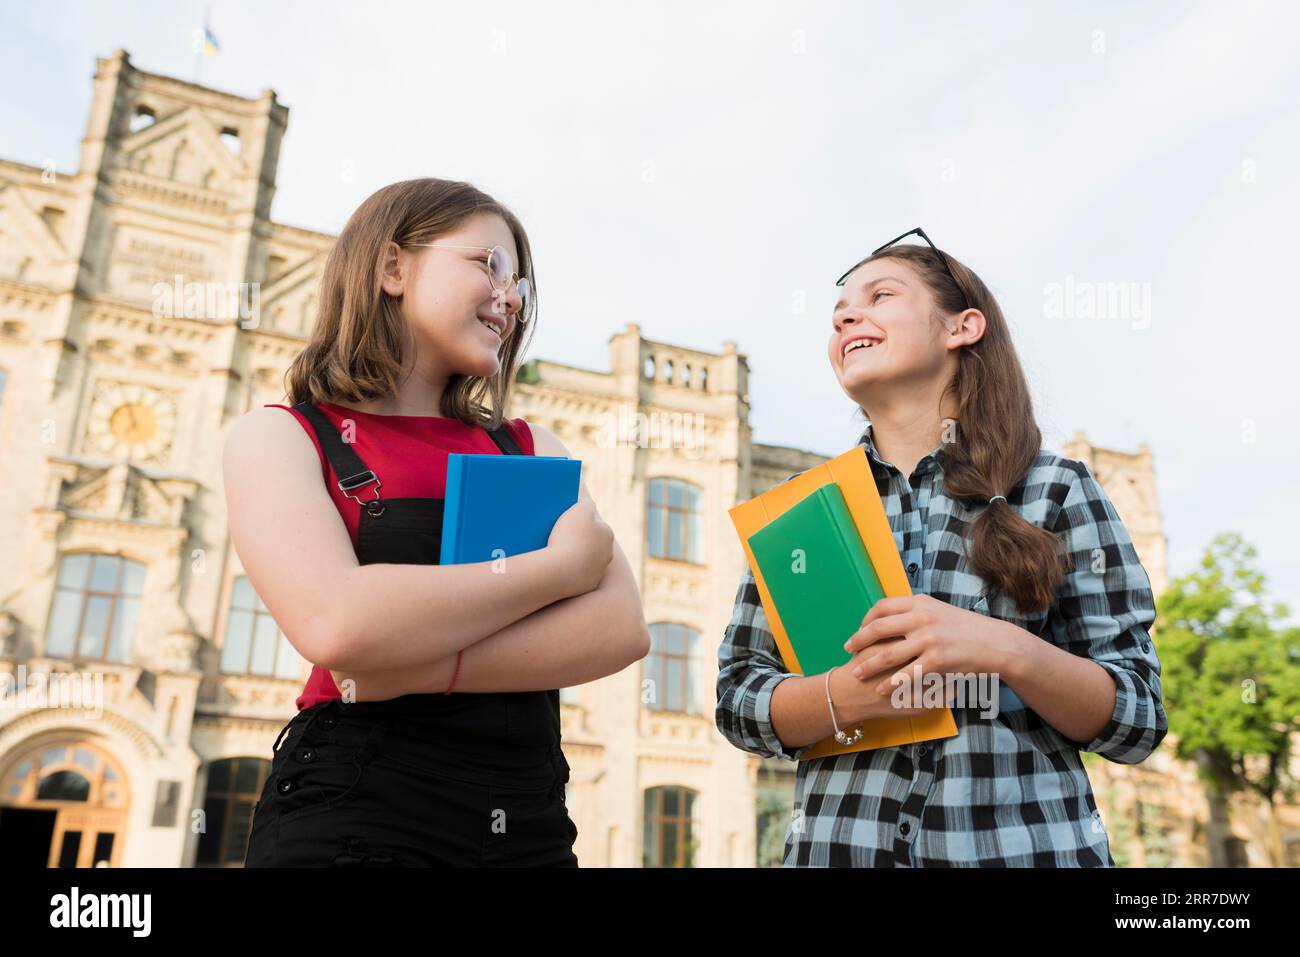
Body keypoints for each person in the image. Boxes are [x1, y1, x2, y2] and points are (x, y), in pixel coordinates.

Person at [225, 177, 650, 866]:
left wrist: (406, 663)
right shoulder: (283, 437)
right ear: (392, 267)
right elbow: (339, 625)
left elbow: (619, 628)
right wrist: (557, 571)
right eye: (490, 265)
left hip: (528, 819)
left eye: (520, 284)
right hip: (355, 808)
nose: (510, 297)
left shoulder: (529, 442)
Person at [715, 228, 1168, 867]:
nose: (847, 315)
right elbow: (738, 701)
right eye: (840, 310)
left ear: (962, 327)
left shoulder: (1056, 490)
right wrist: (846, 695)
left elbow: (1139, 717)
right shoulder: (799, 510)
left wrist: (1006, 649)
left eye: (880, 295)